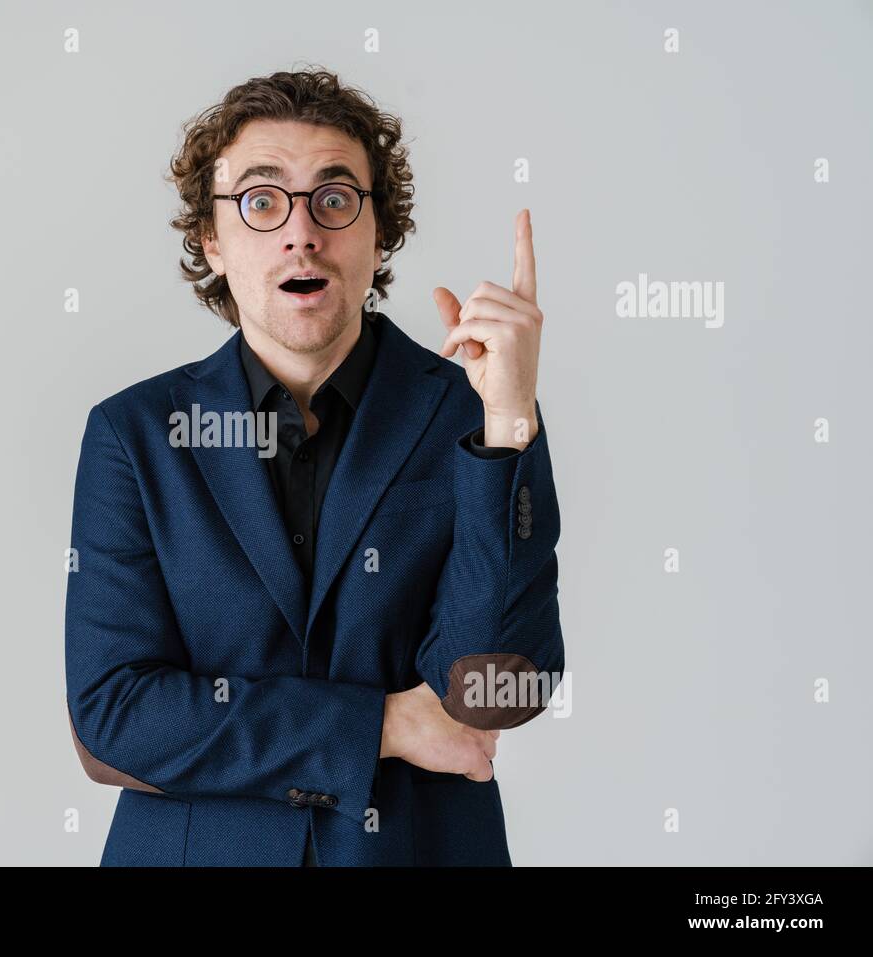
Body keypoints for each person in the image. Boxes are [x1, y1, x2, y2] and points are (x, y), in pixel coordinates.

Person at [65, 67, 564, 867]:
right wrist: (387, 725)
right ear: (213, 243)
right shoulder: (135, 435)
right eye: (262, 202)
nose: (302, 232)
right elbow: (115, 720)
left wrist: (509, 422)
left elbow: (493, 693)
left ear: (378, 235)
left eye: (334, 200)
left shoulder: (472, 411)